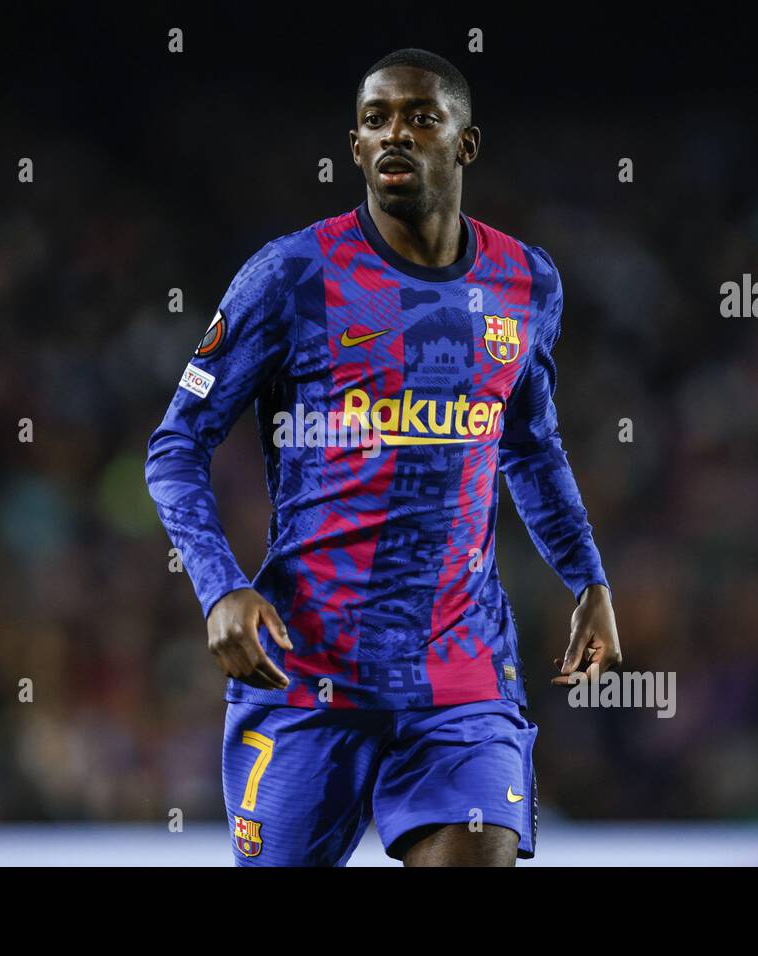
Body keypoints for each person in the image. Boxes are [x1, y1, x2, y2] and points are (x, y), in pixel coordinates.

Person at [145, 48, 621, 866]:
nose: (395, 133)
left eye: (420, 117)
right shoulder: (294, 275)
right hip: (306, 666)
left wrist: (588, 578)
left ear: (464, 144)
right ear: (357, 147)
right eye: (375, 120)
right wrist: (220, 586)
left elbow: (532, 446)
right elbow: (176, 443)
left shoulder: (526, 282)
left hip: (460, 673)